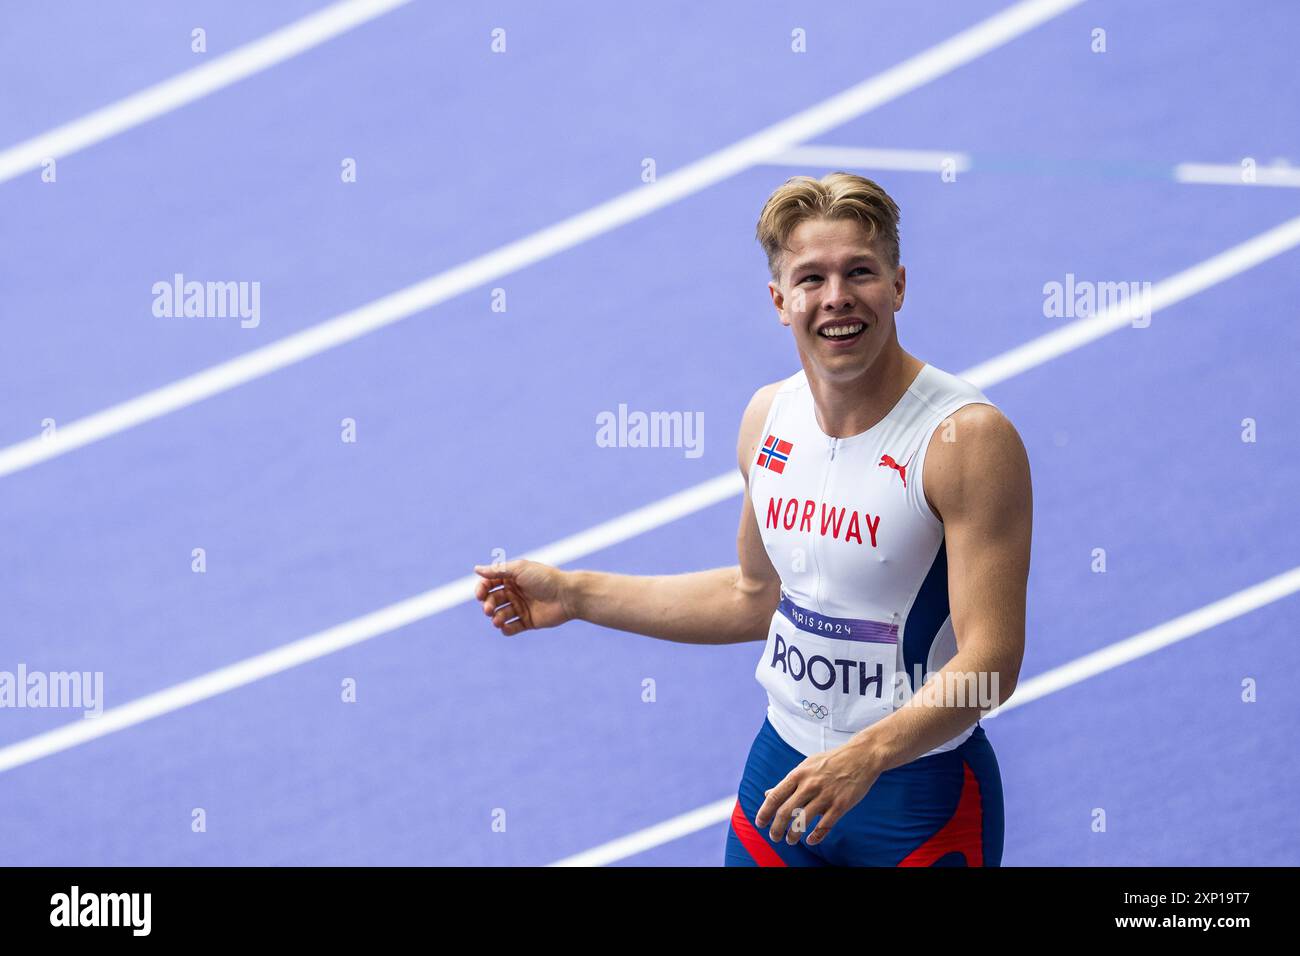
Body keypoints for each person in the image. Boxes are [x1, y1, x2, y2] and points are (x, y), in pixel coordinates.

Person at [473, 172, 1033, 866]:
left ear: (898, 286)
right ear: (779, 300)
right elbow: (752, 598)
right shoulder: (769, 419)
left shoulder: (966, 440)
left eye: (860, 271)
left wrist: (865, 757)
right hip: (785, 781)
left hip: (919, 800)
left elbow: (992, 663)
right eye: (811, 279)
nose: (837, 298)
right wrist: (576, 593)